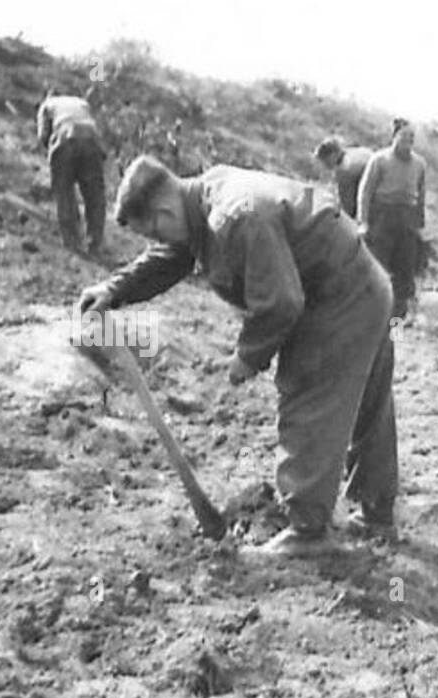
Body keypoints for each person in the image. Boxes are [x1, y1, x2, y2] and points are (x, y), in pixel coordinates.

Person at [77, 155, 398, 555]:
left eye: (155, 233)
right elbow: (174, 254)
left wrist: (246, 358)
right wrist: (115, 290)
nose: (160, 243)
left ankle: (308, 530)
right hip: (363, 284)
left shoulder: (234, 216)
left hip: (340, 298)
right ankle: (376, 515)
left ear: (163, 211)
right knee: (367, 401)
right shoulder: (202, 199)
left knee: (308, 392)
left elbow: (281, 303)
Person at [358, 118, 427, 320]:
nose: (408, 141)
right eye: (404, 136)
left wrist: (419, 224)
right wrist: (363, 222)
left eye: (412, 137)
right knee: (378, 270)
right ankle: (371, 320)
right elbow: (365, 191)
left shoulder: (420, 164)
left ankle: (395, 329)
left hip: (406, 221)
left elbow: (421, 195)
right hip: (382, 217)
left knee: (403, 275)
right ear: (394, 136)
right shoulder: (379, 159)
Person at [37, 93, 107, 253]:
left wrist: (52, 156)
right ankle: (94, 242)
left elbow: (43, 136)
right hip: (91, 141)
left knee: (64, 193)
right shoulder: (81, 103)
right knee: (94, 196)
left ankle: (72, 242)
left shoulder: (47, 105)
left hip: (64, 138)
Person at [314, 136, 374, 219]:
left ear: (333, 155)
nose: (324, 165)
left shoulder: (344, 173)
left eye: (325, 160)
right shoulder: (358, 151)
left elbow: (347, 208)